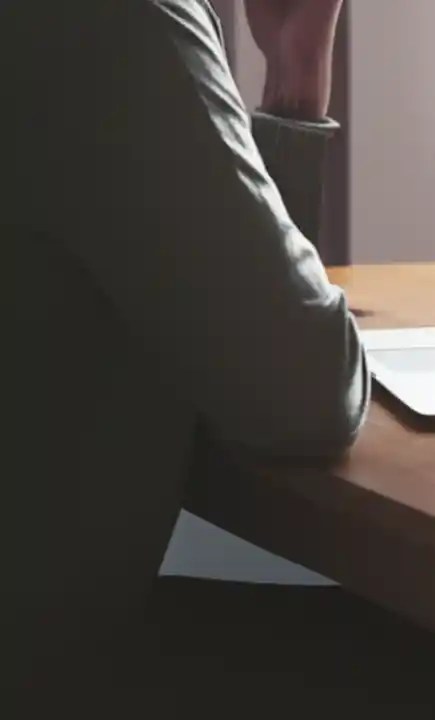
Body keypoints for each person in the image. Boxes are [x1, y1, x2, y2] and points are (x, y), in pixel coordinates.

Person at [3, 0, 366, 688]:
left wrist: (292, 75)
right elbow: (300, 392)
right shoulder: (124, 21)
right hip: (40, 664)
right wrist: (301, 70)